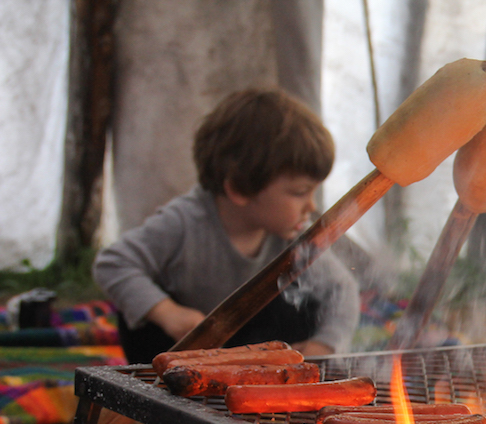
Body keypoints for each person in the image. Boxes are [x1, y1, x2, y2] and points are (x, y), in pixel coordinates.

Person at [93, 87, 361, 364]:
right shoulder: (184, 222)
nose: (312, 206)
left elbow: (340, 289)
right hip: (183, 353)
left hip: (257, 353)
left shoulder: (293, 235)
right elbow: (113, 263)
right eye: (299, 192)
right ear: (240, 189)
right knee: (138, 314)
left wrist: (324, 345)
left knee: (303, 302)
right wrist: (168, 313)